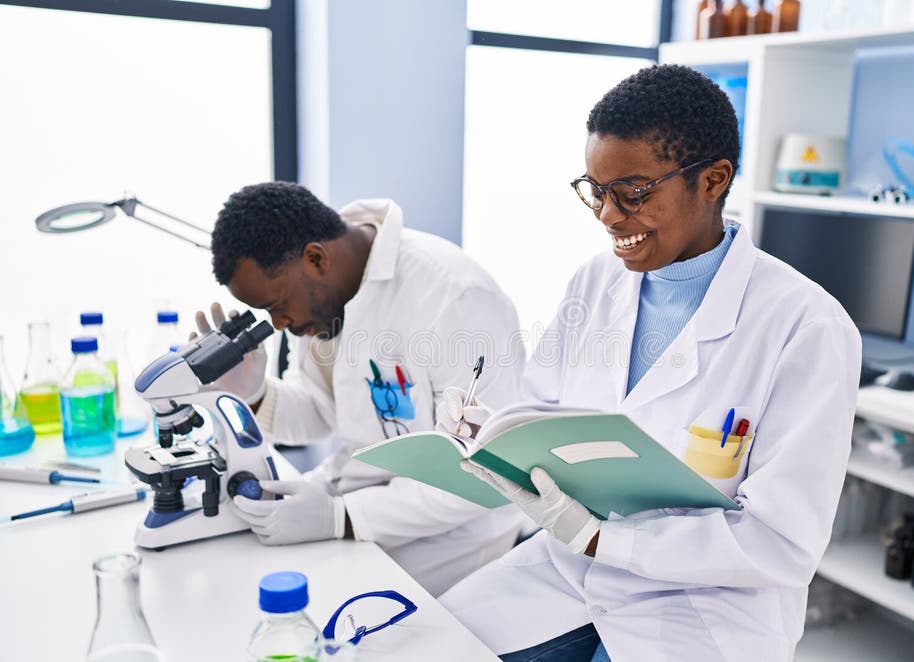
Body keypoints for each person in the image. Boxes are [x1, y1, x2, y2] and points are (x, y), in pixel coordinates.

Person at [438, 64, 861, 660]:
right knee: (429, 641)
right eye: (595, 190)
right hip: (562, 576)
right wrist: (491, 431)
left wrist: (602, 539)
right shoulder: (595, 282)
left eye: (633, 192)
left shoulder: (806, 327)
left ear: (713, 180)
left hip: (703, 608)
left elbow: (781, 541)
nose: (608, 216)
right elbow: (547, 411)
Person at [198, 183, 526, 596]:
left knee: (322, 611)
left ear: (315, 258)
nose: (277, 324)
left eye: (276, 305)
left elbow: (483, 476)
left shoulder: (454, 295)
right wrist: (255, 394)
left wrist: (342, 516)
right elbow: (321, 416)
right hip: (360, 498)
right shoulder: (321, 300)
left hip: (454, 536)